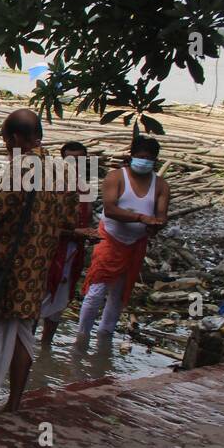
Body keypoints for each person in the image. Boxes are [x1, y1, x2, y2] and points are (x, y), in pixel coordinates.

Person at [0, 110, 77, 415]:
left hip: (7, 267)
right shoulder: (65, 171)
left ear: (16, 138)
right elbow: (69, 219)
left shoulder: (21, 167)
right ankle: (14, 402)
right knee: (23, 336)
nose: (5, 147)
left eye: (6, 141)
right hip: (39, 267)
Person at [76, 135, 169, 342]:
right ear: (132, 156)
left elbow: (162, 215)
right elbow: (110, 209)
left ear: (155, 160)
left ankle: (105, 336)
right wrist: (141, 217)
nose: (144, 161)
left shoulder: (161, 185)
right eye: (140, 156)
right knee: (96, 291)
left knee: (119, 294)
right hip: (110, 239)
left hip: (136, 244)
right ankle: (82, 337)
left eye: (149, 157)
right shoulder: (116, 177)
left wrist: (156, 225)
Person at [40, 142, 101, 344]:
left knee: (60, 302)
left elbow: (88, 218)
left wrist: (90, 233)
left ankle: (45, 348)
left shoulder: (86, 187)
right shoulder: (51, 186)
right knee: (38, 300)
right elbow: (43, 224)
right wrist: (75, 232)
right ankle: (25, 346)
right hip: (50, 253)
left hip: (74, 253)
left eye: (79, 160)